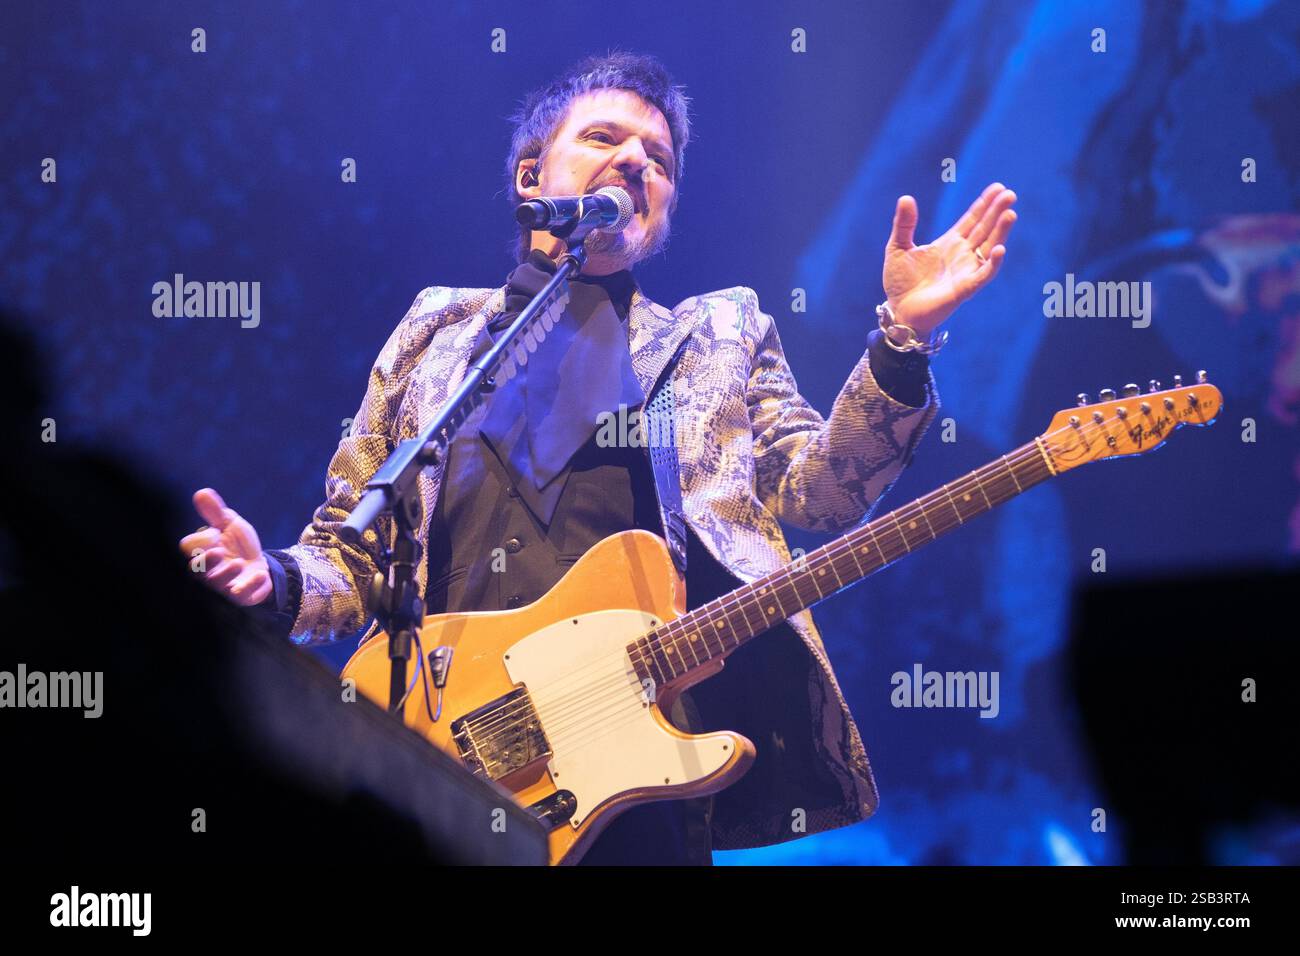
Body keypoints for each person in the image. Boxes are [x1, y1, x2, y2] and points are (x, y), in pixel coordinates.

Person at [178, 50, 1017, 864]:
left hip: (632, 768)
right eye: (604, 138)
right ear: (530, 177)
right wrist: (276, 580)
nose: (635, 161)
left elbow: (824, 495)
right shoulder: (436, 330)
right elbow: (354, 548)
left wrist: (904, 339)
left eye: (658, 159)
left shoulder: (718, 337)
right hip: (438, 744)